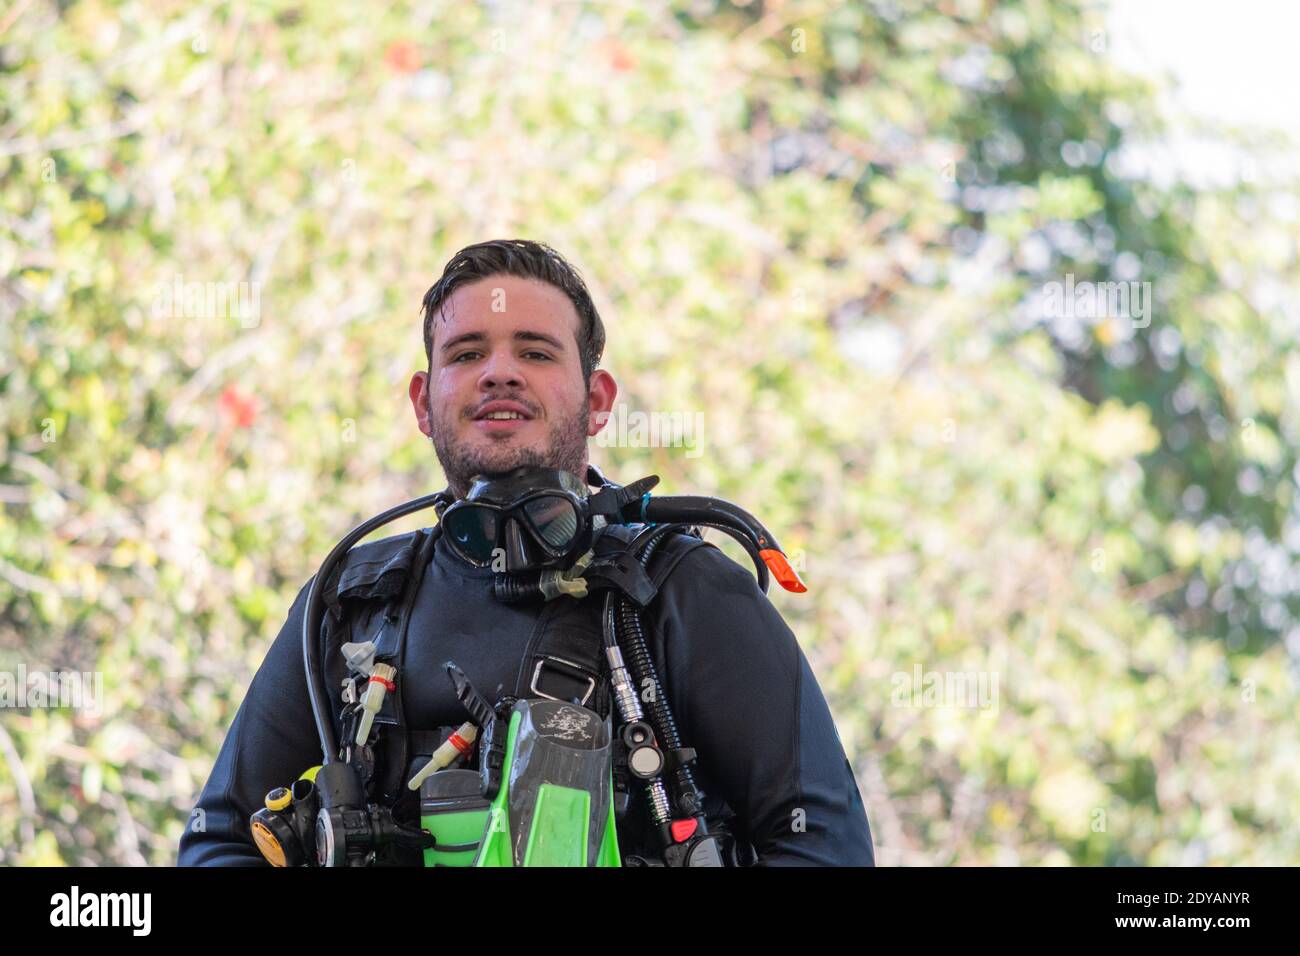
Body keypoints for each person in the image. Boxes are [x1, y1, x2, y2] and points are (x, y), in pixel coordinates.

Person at [179, 238, 875, 866]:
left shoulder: (684, 592)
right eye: (467, 353)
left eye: (536, 352)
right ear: (424, 403)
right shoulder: (352, 600)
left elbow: (823, 847)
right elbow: (221, 841)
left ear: (597, 400)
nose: (499, 373)